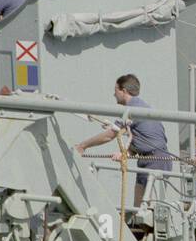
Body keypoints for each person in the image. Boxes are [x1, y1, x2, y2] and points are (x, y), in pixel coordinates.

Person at [74, 74, 173, 209]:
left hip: (155, 160)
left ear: (124, 91)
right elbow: (143, 138)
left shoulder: (132, 110)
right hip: (148, 159)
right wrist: (125, 153)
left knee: (149, 210)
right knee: (139, 208)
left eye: (115, 90)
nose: (113, 94)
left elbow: (110, 135)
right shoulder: (141, 107)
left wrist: (82, 146)